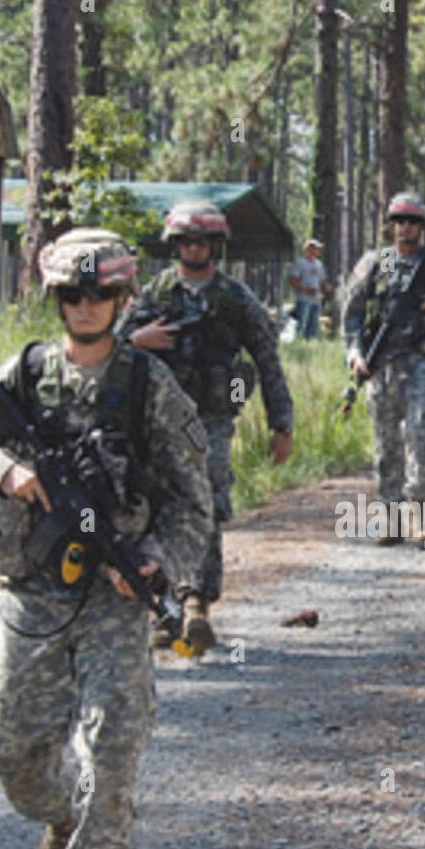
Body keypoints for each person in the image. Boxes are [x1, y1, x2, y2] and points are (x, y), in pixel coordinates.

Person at [0, 228, 213, 849]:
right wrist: (7, 474)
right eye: (71, 293)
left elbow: (195, 501)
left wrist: (154, 566)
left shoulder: (149, 387)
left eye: (99, 294)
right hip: (32, 588)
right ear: (55, 298)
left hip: (114, 596)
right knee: (9, 742)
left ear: (124, 299)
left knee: (115, 735)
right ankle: (60, 817)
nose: (85, 306)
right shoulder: (23, 376)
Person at [117, 199, 294, 651]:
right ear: (174, 245)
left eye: (203, 242)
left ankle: (196, 601)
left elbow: (268, 361)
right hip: (157, 422)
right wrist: (136, 340)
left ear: (217, 245)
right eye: (185, 241)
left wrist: (281, 424)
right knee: (156, 504)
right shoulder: (154, 295)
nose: (194, 249)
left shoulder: (234, 299)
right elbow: (105, 348)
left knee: (206, 501)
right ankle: (164, 607)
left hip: (211, 419)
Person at [342, 190, 425, 545]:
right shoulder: (377, 263)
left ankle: (419, 515)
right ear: (390, 225)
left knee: (420, 435)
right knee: (386, 445)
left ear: (423, 226)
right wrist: (355, 354)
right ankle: (390, 517)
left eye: (412, 222)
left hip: (421, 363)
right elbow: (352, 314)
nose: (405, 228)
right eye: (400, 221)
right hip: (381, 365)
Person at [288, 238, 330, 340]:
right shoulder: (300, 263)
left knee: (314, 327)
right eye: (316, 248)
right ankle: (299, 344)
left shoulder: (319, 264)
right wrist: (307, 289)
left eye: (319, 249)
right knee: (302, 325)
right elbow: (292, 281)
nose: (318, 251)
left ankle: (310, 347)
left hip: (316, 300)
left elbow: (322, 280)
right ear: (309, 249)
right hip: (303, 300)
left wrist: (326, 287)